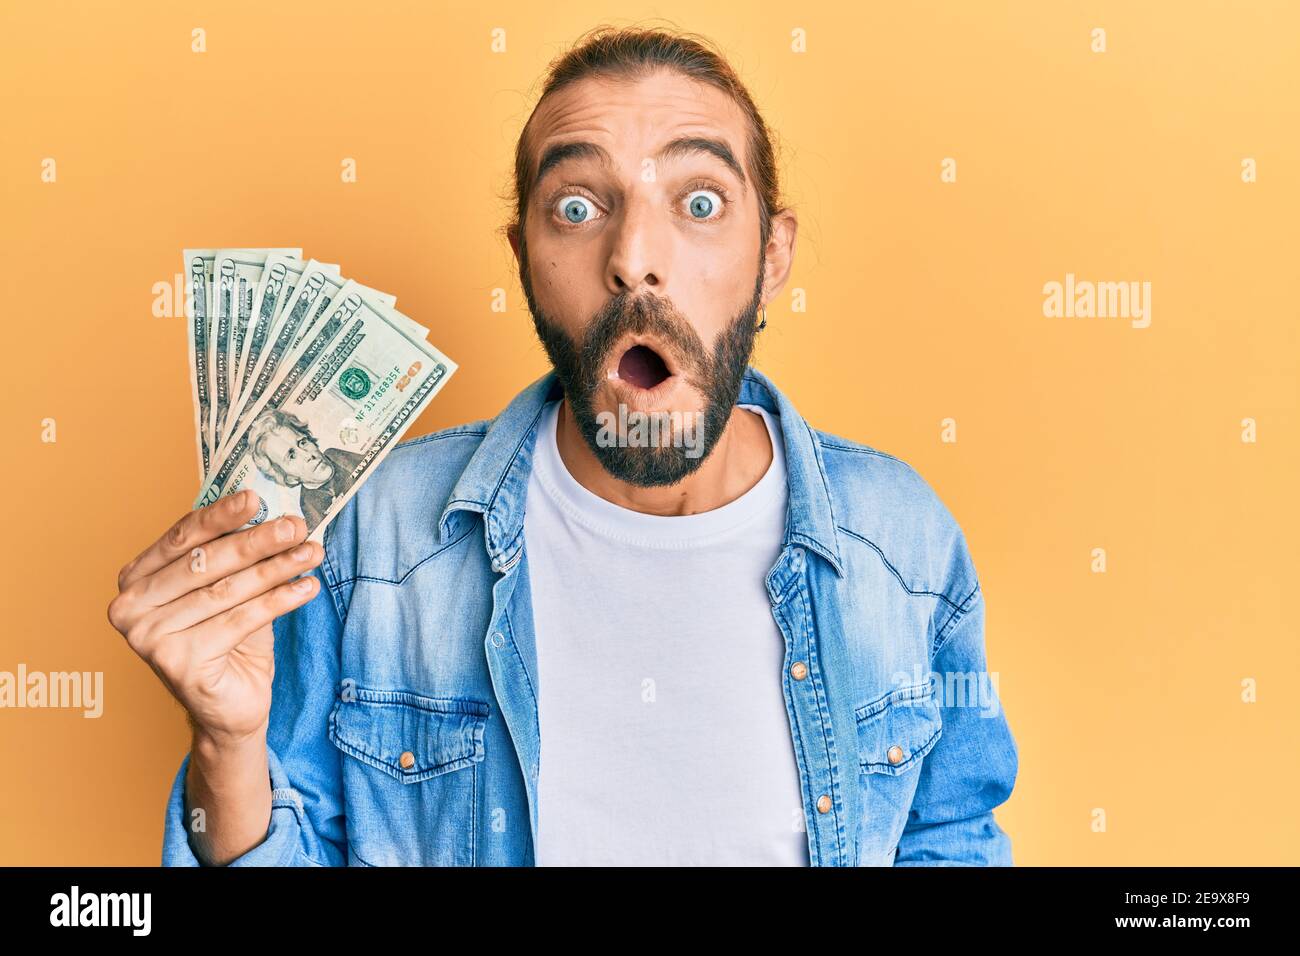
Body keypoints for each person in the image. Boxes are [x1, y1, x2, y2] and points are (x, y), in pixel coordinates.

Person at [107, 26, 1017, 867]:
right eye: (578, 207)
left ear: (771, 257)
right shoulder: (376, 541)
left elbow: (952, 833)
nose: (634, 257)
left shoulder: (902, 541)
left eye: (699, 201)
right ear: (524, 260)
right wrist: (225, 745)